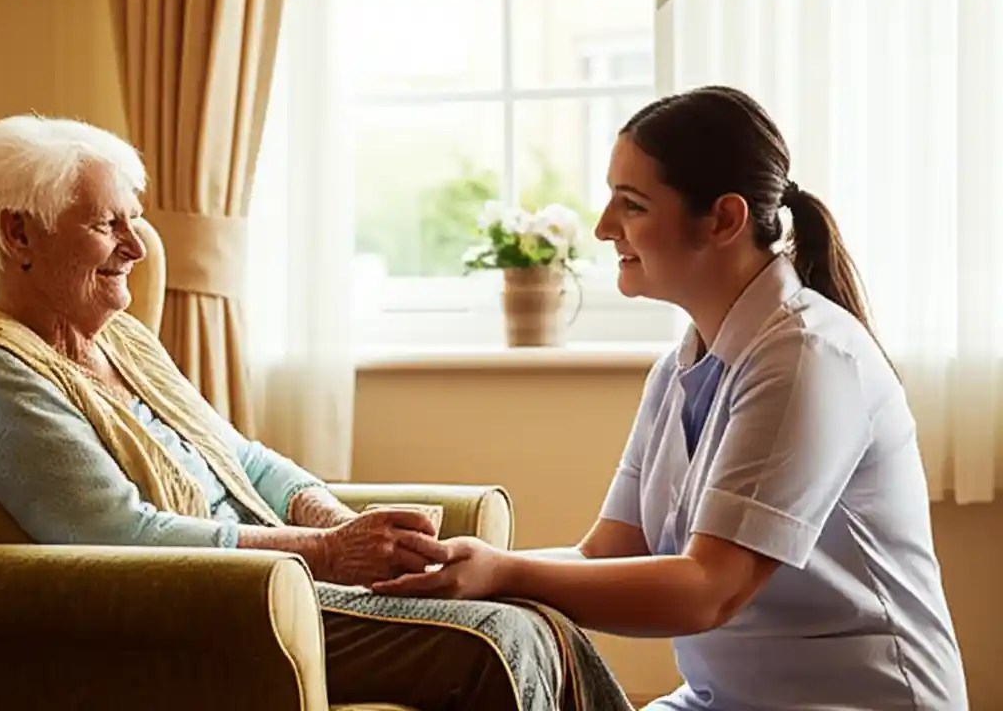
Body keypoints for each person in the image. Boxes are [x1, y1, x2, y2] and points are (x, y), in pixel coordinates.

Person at [0, 114, 629, 711]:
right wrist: (322, 555)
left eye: (134, 221)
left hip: (278, 582)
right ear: (20, 236)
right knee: (500, 640)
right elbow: (117, 535)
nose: (137, 248)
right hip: (216, 612)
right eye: (110, 225)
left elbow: (241, 456)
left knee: (535, 614)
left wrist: (334, 522)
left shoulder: (121, 341)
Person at [372, 86, 969, 710]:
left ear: (724, 219)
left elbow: (708, 590)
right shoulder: (680, 369)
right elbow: (603, 554)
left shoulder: (809, 360)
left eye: (631, 205)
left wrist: (504, 571)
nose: (603, 227)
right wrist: (466, 570)